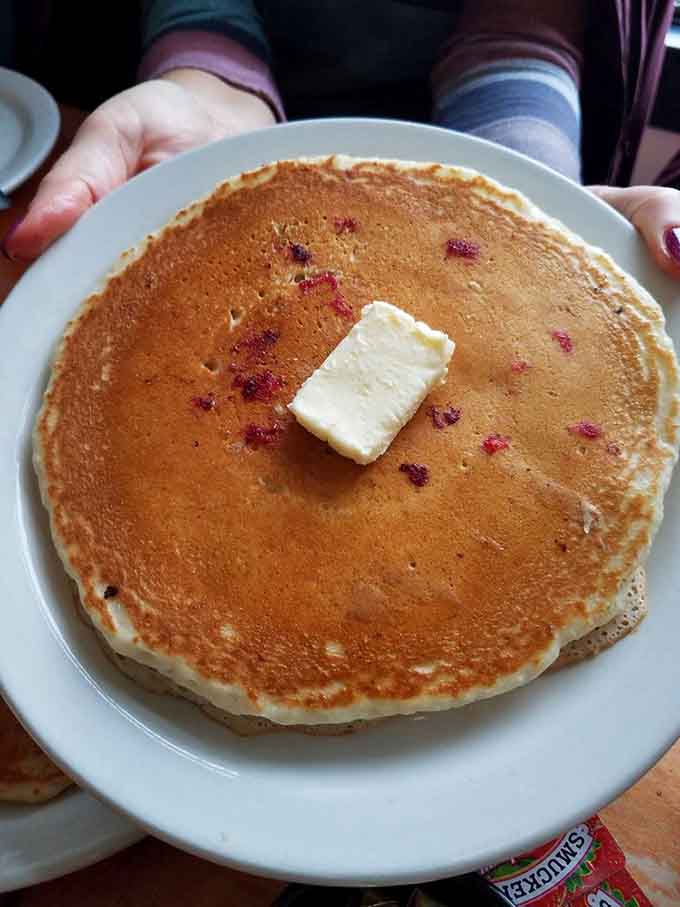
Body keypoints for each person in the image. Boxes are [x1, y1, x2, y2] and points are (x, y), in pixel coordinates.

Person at [2, 0, 680, 279]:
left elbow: (519, 28)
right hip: (240, 137)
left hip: (458, 136)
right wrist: (207, 96)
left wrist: (526, 195)